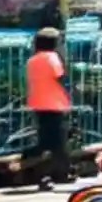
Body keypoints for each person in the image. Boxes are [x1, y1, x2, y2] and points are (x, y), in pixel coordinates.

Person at [26, 27, 71, 191]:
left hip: (38, 104)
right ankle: (60, 173)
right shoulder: (52, 58)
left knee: (45, 140)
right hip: (55, 104)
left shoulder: (32, 60)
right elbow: (61, 77)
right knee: (58, 142)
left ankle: (54, 172)